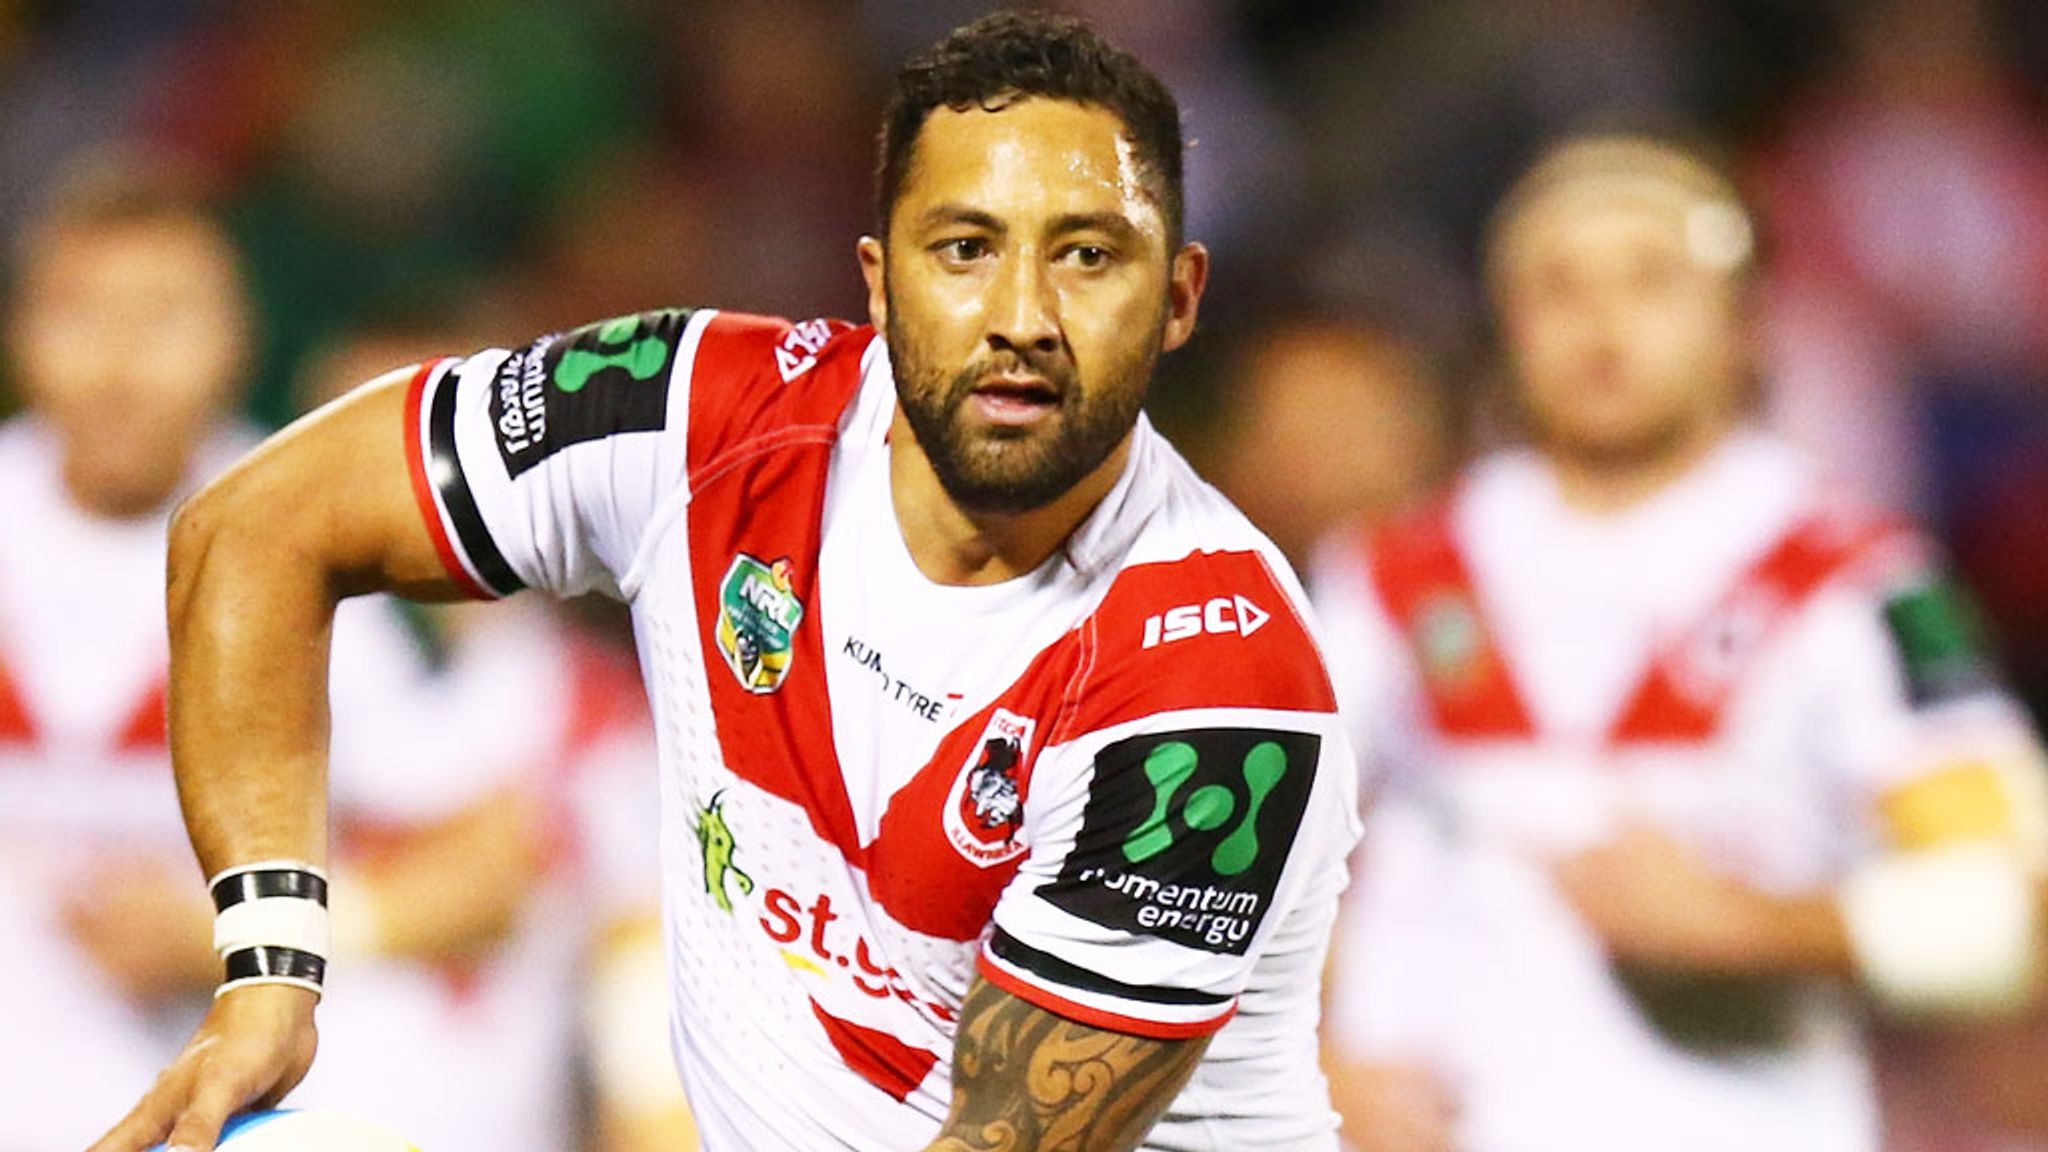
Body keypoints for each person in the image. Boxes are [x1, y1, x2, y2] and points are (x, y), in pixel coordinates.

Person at [91, 11, 1359, 1152]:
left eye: (1087, 256)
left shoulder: (1214, 688)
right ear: (878, 282)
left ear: (1178, 298)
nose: (1020, 313)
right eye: (965, 247)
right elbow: (257, 525)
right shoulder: (701, 418)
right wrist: (268, 974)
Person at [1312, 134, 2048, 1152]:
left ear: (1743, 325)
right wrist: (1303, 1061)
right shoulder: (1391, 579)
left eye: (1652, 279)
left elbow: (2014, 915)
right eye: (1556, 286)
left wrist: (1753, 924)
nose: (1601, 324)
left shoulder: (1851, 585)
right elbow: (1222, 874)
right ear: (1504, 328)